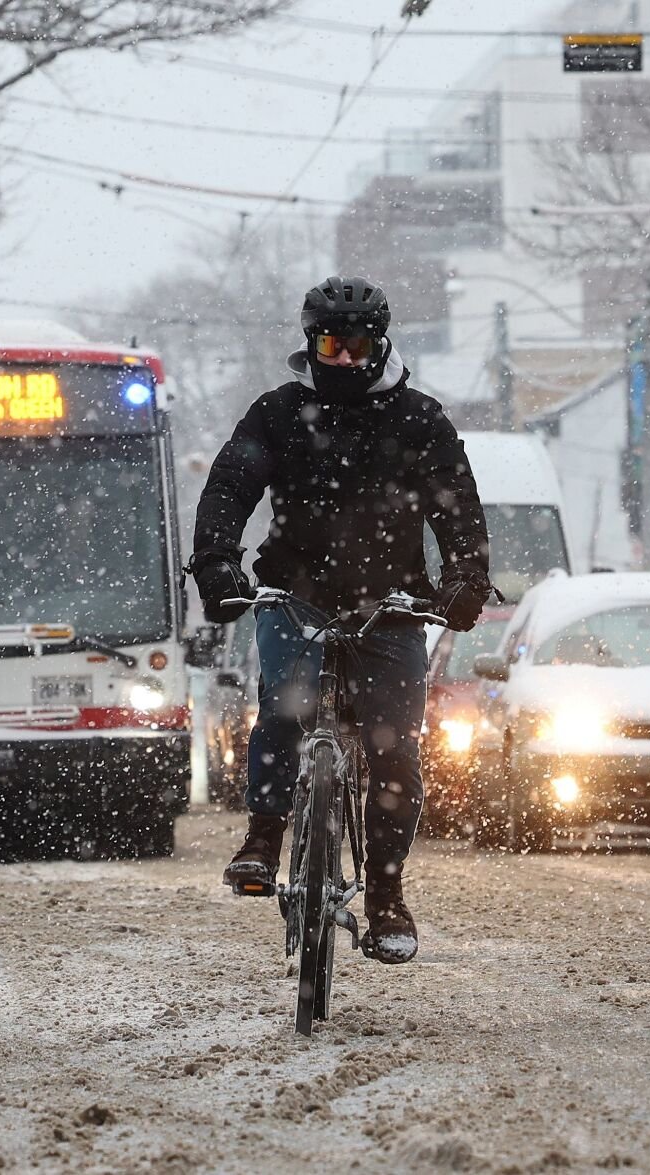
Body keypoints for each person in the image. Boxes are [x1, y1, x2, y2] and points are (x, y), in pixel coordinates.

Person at [187, 276, 492, 964]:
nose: (345, 359)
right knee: (280, 715)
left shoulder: (419, 419)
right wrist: (217, 564)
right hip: (295, 597)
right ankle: (264, 837)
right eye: (331, 344)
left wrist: (465, 577)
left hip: (390, 608)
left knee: (394, 751)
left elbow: (457, 506)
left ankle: (386, 895)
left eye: (357, 345)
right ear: (310, 344)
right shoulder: (278, 413)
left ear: (380, 344)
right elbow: (231, 487)